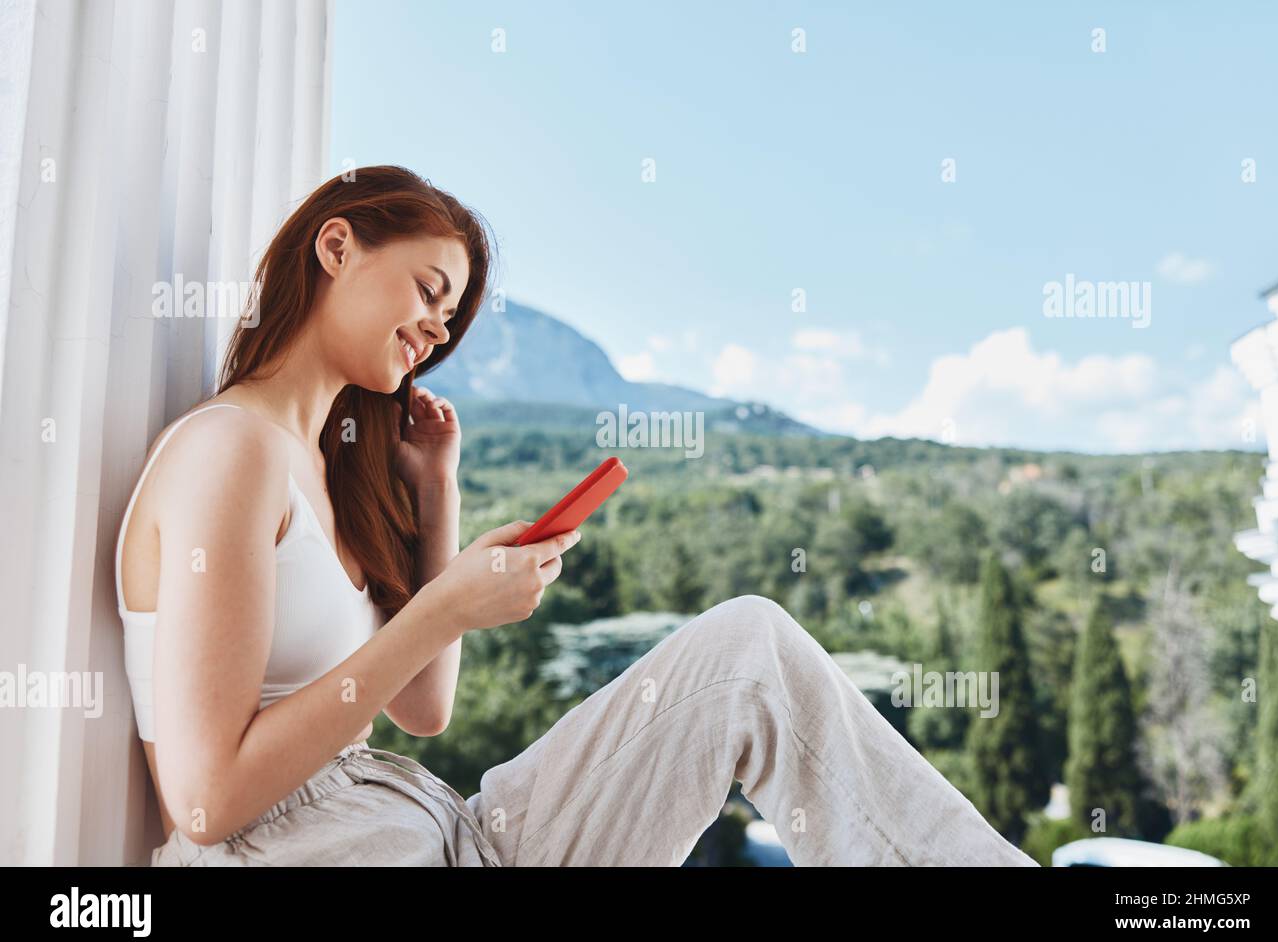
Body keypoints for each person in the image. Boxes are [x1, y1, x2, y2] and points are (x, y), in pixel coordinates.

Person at [116, 165, 1037, 867]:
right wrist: (446, 609)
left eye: (452, 321)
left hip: (444, 833)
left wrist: (438, 495)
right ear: (337, 247)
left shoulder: (323, 466)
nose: (438, 331)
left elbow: (424, 707)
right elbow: (207, 800)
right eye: (432, 292)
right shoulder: (229, 449)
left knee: (748, 651)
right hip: (321, 847)